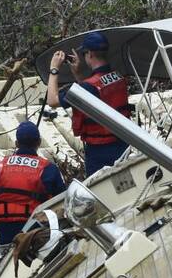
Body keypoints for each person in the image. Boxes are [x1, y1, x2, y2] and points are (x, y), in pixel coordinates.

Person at [46, 30, 132, 177]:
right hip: (122, 142)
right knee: (126, 183)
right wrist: (78, 75)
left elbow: (52, 101)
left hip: (100, 150)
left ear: (90, 54)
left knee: (101, 188)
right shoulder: (117, 76)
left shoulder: (88, 87)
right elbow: (96, 97)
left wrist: (54, 70)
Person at [0, 119, 65, 245]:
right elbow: (61, 205)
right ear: (39, 142)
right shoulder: (49, 169)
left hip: (5, 232)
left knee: (7, 259)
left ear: (16, 143)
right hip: (35, 232)